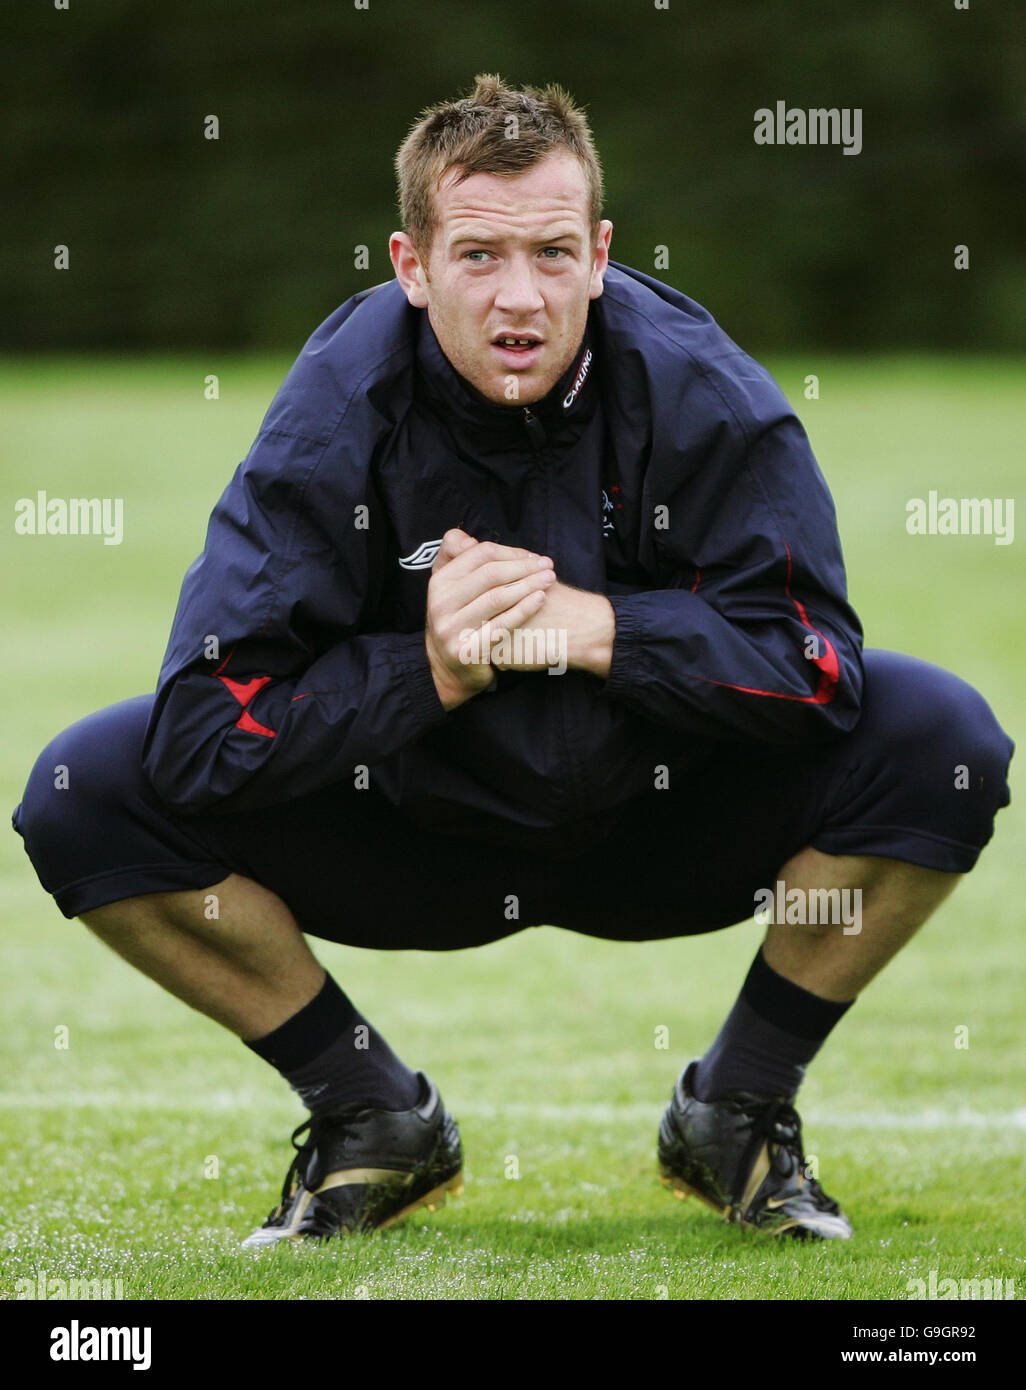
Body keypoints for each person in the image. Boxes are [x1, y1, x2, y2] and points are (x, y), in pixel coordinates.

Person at [13, 73, 1013, 1246]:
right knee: (83, 794)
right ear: (412, 265)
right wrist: (424, 671)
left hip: (668, 822)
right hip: (412, 830)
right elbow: (201, 727)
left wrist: (608, 632)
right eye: (480, 256)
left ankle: (735, 1111)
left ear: (599, 254)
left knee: (943, 739)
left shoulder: (703, 389)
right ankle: (369, 1115)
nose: (521, 297)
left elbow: (817, 667)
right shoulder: (336, 411)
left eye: (551, 252)